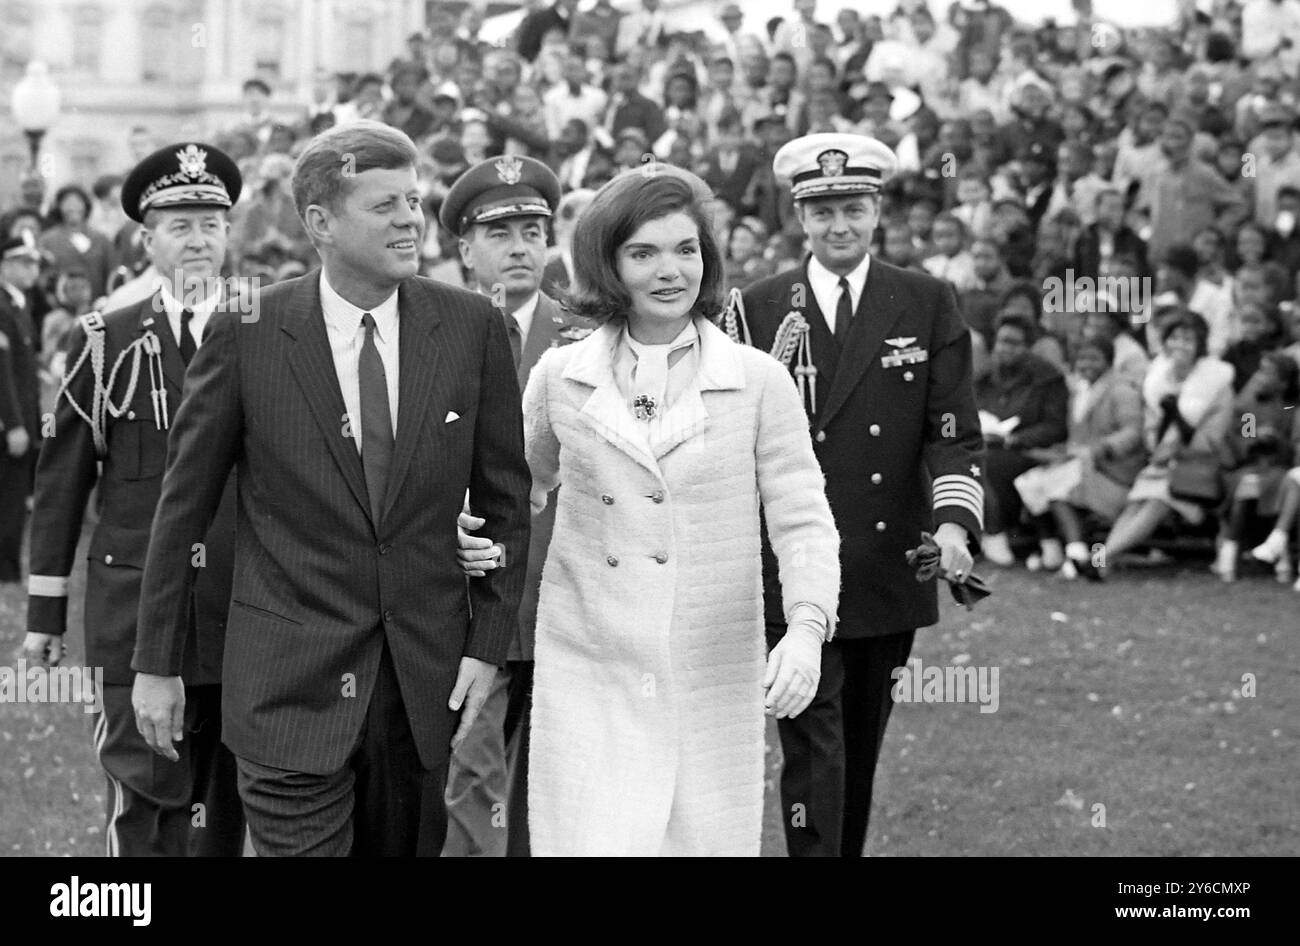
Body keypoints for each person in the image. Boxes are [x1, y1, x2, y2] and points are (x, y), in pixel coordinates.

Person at [130, 120, 533, 857]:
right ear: (319, 222)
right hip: (287, 688)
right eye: (385, 206)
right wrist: (157, 664)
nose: (411, 219)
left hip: (422, 689)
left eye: (413, 201)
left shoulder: (472, 326)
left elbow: (506, 501)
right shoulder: (248, 327)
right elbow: (181, 507)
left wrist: (486, 644)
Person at [477, 164, 841, 855]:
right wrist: (470, 536)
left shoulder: (757, 381)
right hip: (590, 655)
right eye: (643, 252)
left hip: (707, 661)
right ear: (607, 264)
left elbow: (801, 517)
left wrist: (806, 625)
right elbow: (516, 489)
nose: (671, 270)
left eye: (686, 249)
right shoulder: (561, 375)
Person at [737, 133, 985, 856]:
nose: (838, 227)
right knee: (814, 747)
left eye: (853, 209)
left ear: (877, 211)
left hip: (884, 563)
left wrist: (953, 527)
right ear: (799, 218)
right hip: (791, 565)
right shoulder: (756, 307)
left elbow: (954, 431)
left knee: (858, 749)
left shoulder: (926, 301)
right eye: (823, 213)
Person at [22, 142, 248, 856]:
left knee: (223, 809)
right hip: (132, 607)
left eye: (210, 222)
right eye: (178, 224)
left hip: (242, 609)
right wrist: (45, 615)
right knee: (144, 804)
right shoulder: (108, 341)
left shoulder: (268, 332)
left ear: (229, 234)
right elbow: (62, 488)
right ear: (146, 239)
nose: (197, 238)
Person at [438, 155, 570, 858]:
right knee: (471, 773)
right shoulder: (432, 331)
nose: (520, 247)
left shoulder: (589, 337)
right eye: (499, 233)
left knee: (555, 787)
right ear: (464, 249)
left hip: (565, 593)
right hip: (465, 594)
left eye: (532, 229)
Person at [1102, 311, 1235, 569]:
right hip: (1161, 462)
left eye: (1188, 339)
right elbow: (1151, 430)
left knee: (1158, 500)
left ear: (1200, 344)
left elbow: (1213, 440)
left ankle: (1103, 557)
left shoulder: (1218, 385)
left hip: (1198, 468)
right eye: (1174, 338)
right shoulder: (1157, 381)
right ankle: (1104, 558)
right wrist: (1160, 444)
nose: (1180, 345)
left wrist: (1179, 422)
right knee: (1136, 502)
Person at [1012, 335, 1146, 580]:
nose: (1086, 364)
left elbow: (1133, 432)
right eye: (1082, 358)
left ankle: (1075, 556)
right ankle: (1051, 549)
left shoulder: (1121, 390)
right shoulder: (1078, 391)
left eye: (1094, 358)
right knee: (1029, 482)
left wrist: (1100, 449)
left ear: (1108, 361)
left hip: (1113, 473)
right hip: (1082, 467)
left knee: (1056, 487)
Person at [974, 312, 1070, 568]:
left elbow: (1055, 426)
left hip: (1033, 450)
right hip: (990, 444)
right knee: (975, 459)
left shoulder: (1047, 378)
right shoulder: (984, 377)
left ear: (1028, 347)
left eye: (1014, 343)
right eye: (1002, 341)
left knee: (988, 463)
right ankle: (992, 532)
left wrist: (1015, 438)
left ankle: (995, 532)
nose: (1005, 348)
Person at [1214, 351, 1300, 581]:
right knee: (1247, 485)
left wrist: (1278, 442)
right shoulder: (1252, 403)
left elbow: (1295, 444)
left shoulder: (1292, 408)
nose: (1260, 377)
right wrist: (1256, 438)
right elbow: (1242, 438)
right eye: (1260, 370)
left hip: (1283, 468)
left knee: (1276, 483)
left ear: (1284, 381)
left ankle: (1278, 555)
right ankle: (1230, 551)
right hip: (1250, 466)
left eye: (1268, 372)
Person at [0, 233, 42, 583]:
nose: (34, 270)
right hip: (8, 423)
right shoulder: (3, 306)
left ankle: (8, 568)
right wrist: (12, 423)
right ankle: (5, 570)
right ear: (6, 265)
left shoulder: (17, 304)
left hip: (23, 418)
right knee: (10, 498)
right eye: (25, 262)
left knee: (15, 497)